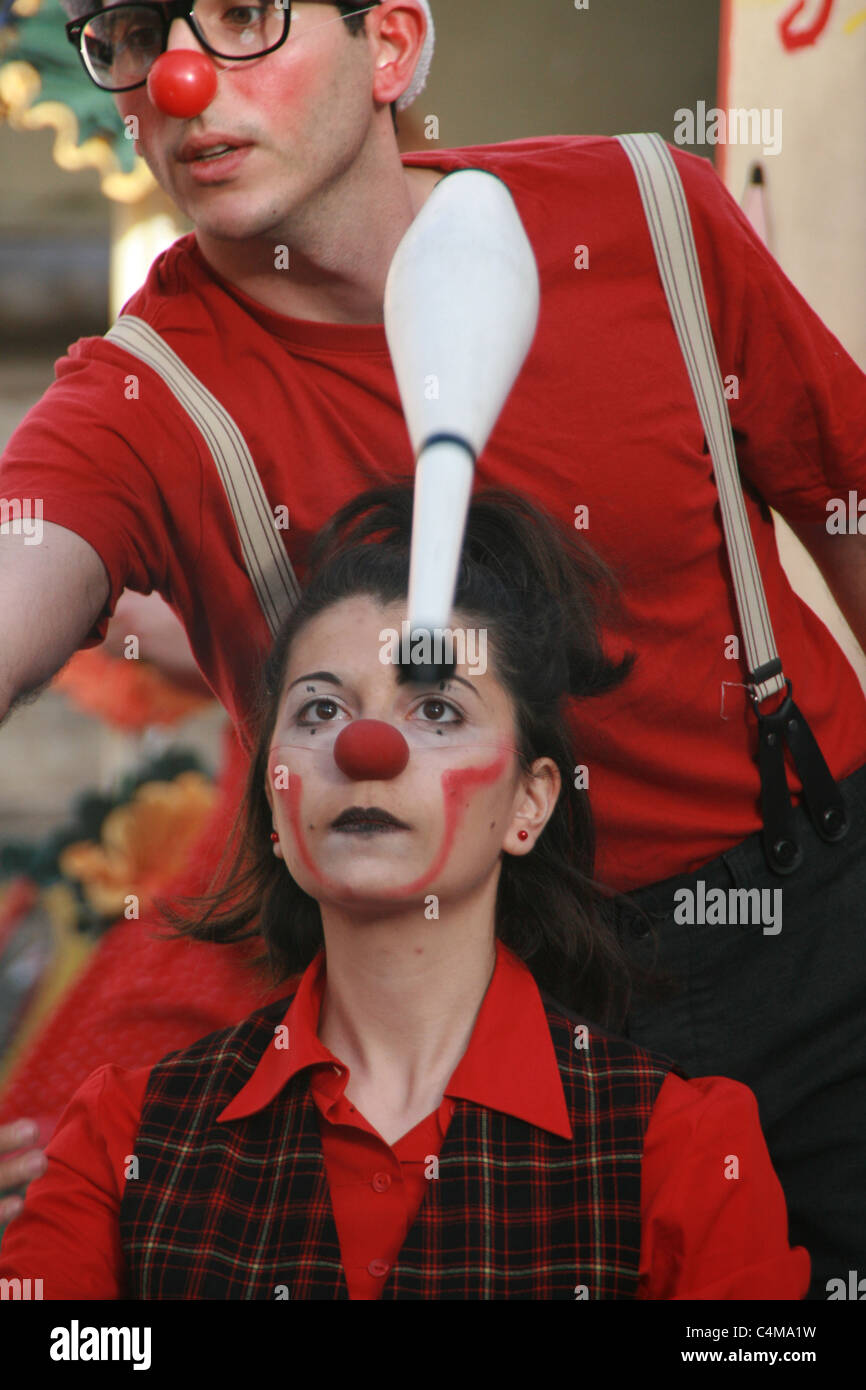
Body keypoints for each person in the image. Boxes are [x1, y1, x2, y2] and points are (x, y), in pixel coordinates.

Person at [0, 1, 863, 1298]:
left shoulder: (649, 215)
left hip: (818, 924)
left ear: (392, 46)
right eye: (127, 33)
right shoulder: (136, 401)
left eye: (243, 14)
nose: (177, 79)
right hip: (464, 1022)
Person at [0, 483, 809, 1299]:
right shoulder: (121, 1136)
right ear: (276, 802)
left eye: (436, 709)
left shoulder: (683, 1146)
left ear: (529, 803)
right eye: (319, 709)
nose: (365, 746)